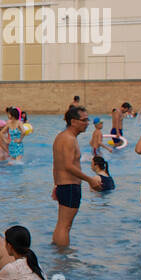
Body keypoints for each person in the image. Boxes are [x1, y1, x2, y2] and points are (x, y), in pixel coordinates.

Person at [50, 106, 103, 248]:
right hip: (70, 187)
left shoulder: (61, 137)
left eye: (88, 120)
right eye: (84, 120)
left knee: (61, 224)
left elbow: (57, 165)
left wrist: (56, 185)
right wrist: (90, 179)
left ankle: (57, 255)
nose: (87, 123)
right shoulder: (69, 139)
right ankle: (63, 260)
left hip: (63, 186)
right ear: (73, 121)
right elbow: (68, 165)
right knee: (65, 226)